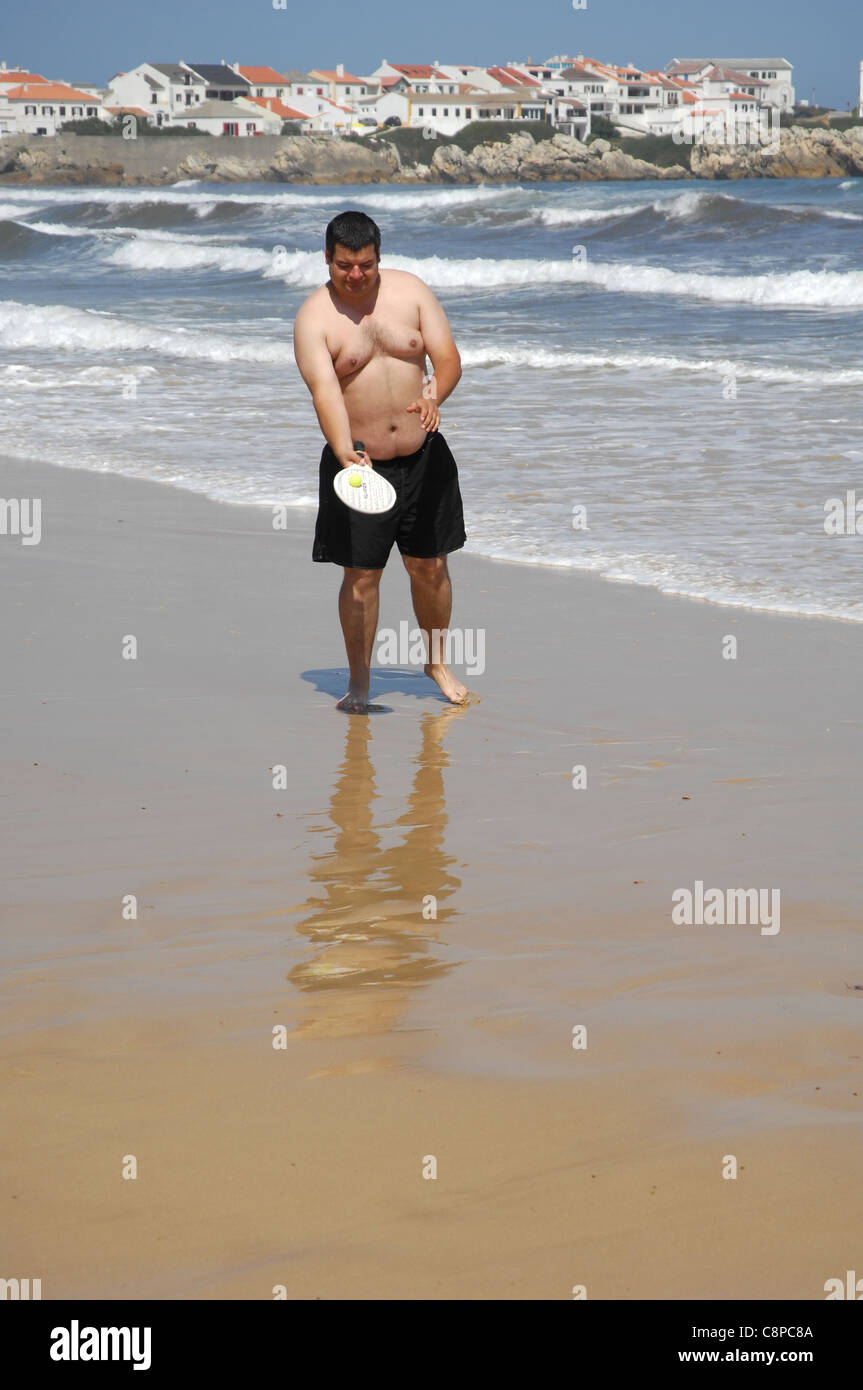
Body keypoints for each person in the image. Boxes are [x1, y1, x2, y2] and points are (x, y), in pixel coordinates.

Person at [293, 209, 471, 713]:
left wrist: (435, 396)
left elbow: (448, 358)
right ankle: (359, 681)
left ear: (379, 258)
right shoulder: (314, 319)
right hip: (360, 465)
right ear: (327, 259)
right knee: (362, 576)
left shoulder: (411, 292)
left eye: (366, 265)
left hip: (423, 456)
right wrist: (342, 448)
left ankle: (435, 661)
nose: (356, 275)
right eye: (345, 265)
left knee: (429, 566)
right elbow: (324, 391)